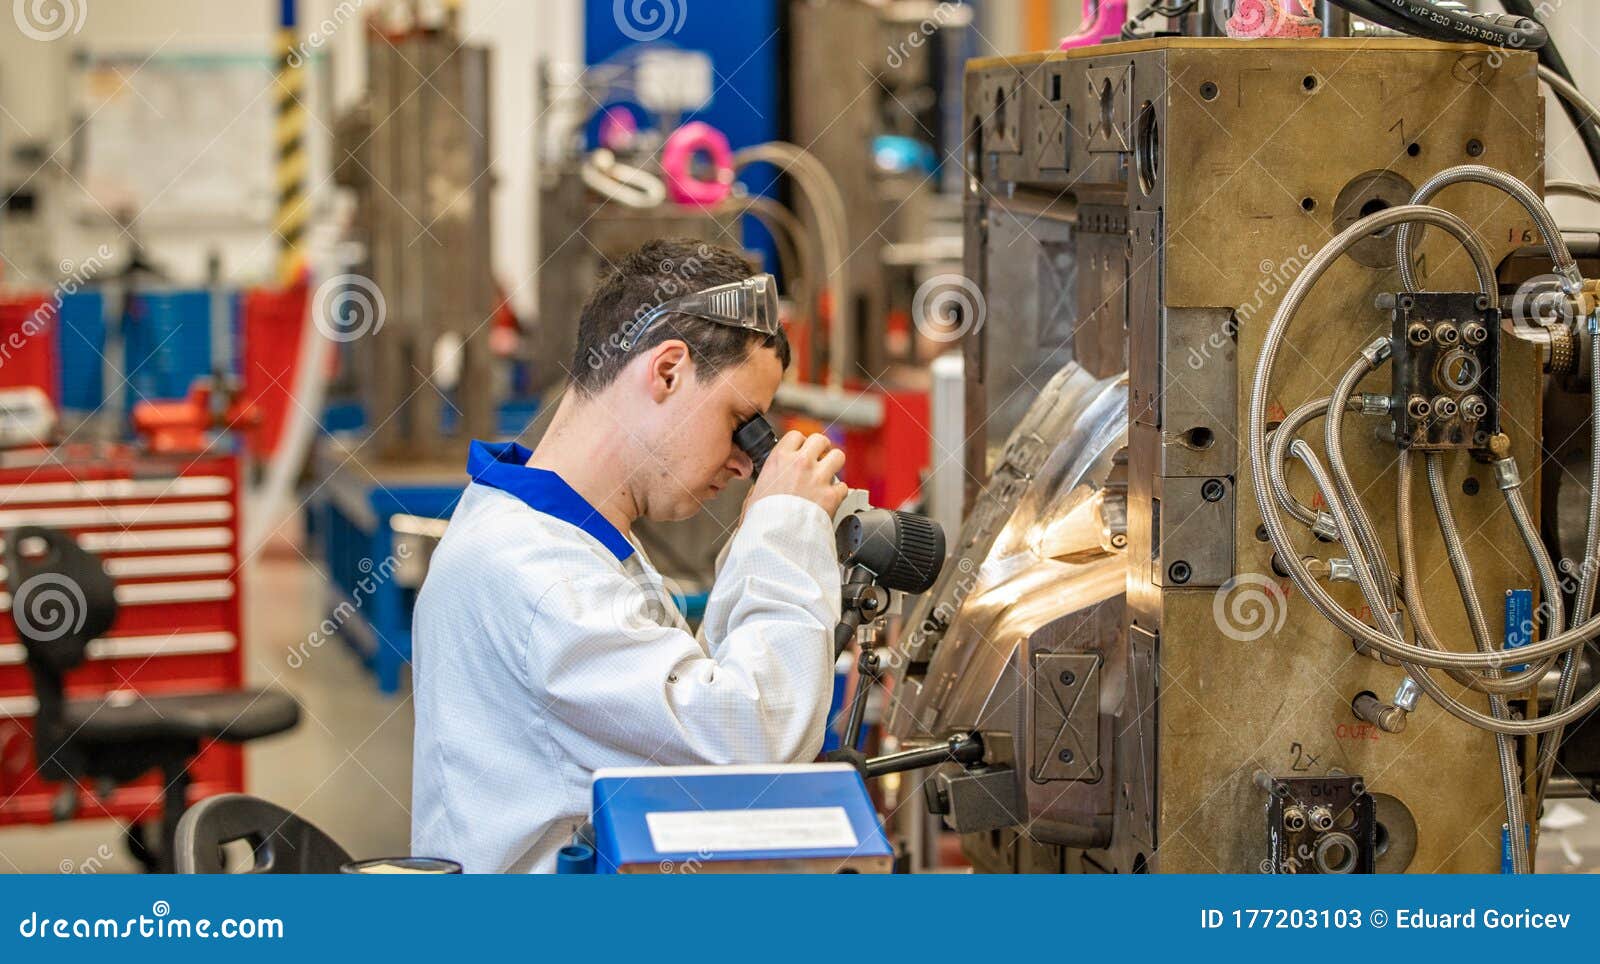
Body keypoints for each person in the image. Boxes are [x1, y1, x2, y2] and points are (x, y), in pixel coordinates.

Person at [410, 238, 847, 872]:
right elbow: (749, 750)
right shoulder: (532, 572)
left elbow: (689, 704)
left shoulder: (567, 538)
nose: (742, 461)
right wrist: (787, 531)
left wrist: (762, 538)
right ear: (667, 371)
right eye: (740, 421)